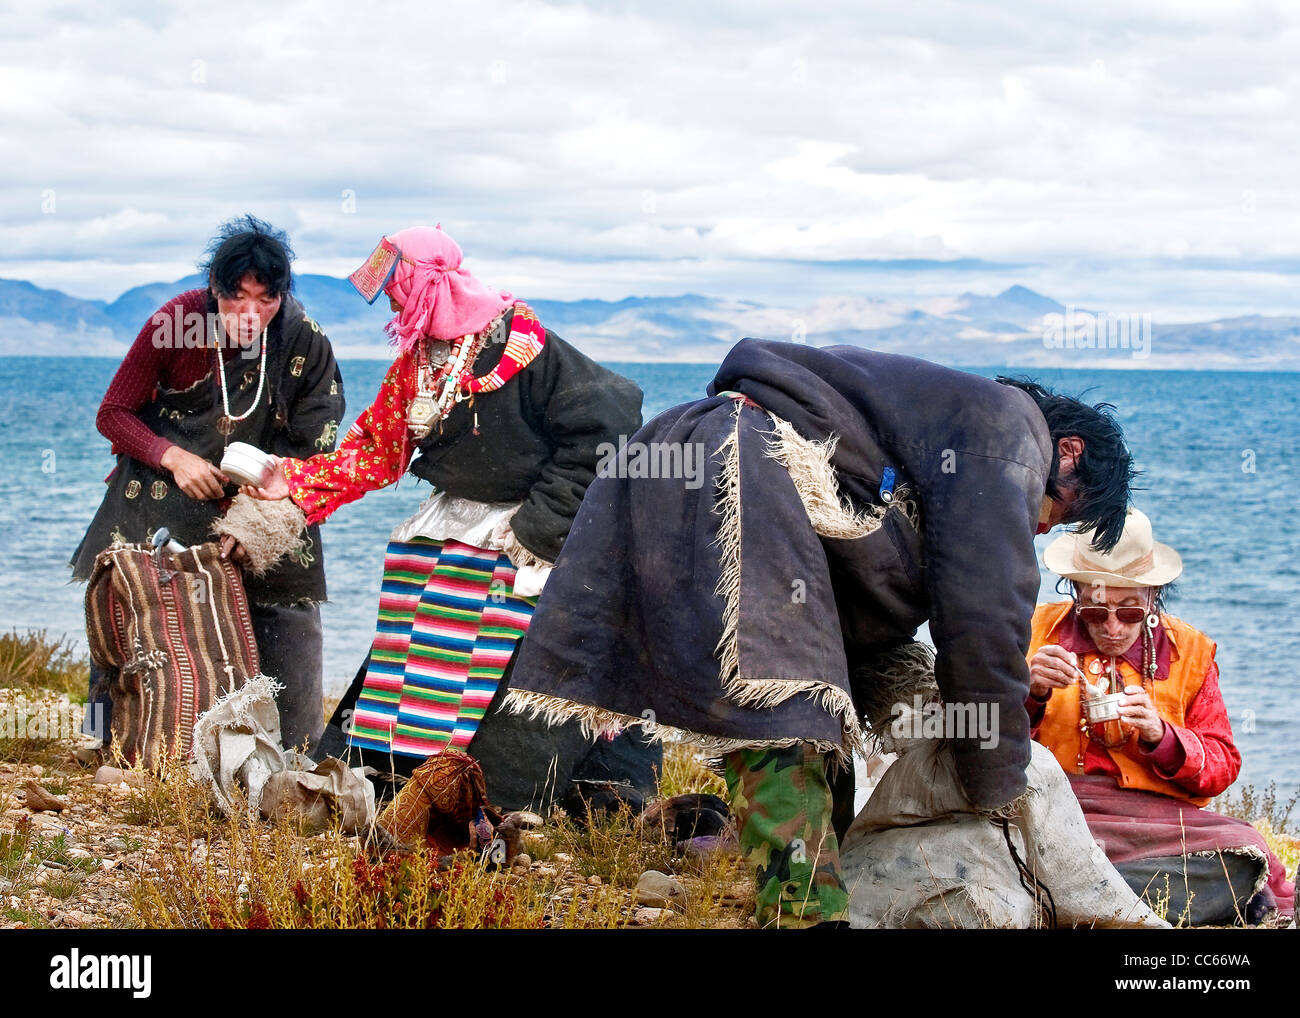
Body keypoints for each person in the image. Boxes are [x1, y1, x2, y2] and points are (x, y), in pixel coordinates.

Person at [503, 350, 1136, 927]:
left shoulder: (935, 427)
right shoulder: (1011, 435)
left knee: (806, 695)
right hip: (740, 469)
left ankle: (816, 890)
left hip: (698, 460)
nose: (1043, 528)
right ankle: (808, 915)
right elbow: (985, 618)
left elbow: (855, 587)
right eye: (1066, 513)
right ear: (1070, 452)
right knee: (785, 709)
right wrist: (995, 779)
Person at [245, 224, 659, 810]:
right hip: (462, 521)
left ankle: (492, 789)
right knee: (417, 618)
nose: (388, 298)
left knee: (506, 638)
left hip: (530, 531)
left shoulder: (525, 343)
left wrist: (536, 528)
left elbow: (611, 417)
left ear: (427, 282)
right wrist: (292, 481)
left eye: (395, 285)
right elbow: (376, 449)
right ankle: (396, 769)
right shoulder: (421, 364)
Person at [71, 215, 345, 753]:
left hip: (267, 499)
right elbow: (114, 413)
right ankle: (108, 742)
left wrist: (258, 521)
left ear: (282, 295)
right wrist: (174, 457)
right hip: (164, 492)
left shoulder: (304, 341)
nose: (250, 313)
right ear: (214, 289)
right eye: (236, 297)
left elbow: (319, 445)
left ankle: (290, 754)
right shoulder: (176, 323)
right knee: (135, 607)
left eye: (265, 299)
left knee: (287, 609)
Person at [1028, 507, 1295, 924]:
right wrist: (1028, 692)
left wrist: (1162, 737)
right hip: (1056, 809)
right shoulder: (1032, 633)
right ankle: (1111, 902)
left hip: (1152, 823)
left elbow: (1222, 764)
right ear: (1076, 592)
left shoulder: (1190, 651)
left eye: (1130, 612)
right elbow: (974, 739)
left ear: (1152, 596)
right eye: (1096, 612)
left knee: (1243, 851)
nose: (1113, 628)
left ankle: (1073, 898)